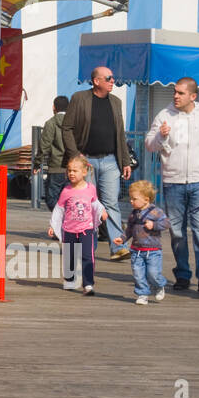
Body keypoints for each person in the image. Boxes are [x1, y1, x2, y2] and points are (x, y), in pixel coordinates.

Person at [145, 76, 199, 292]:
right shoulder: (164, 115)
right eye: (174, 92)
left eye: (180, 93)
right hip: (173, 182)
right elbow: (149, 144)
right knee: (177, 231)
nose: (175, 96)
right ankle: (182, 274)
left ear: (193, 96)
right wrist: (160, 136)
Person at [62, 66, 132, 260]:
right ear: (96, 81)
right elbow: (66, 128)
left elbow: (120, 134)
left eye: (113, 78)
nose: (112, 81)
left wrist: (125, 160)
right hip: (87, 160)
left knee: (111, 204)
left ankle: (118, 246)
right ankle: (85, 248)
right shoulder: (80, 98)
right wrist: (76, 155)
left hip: (110, 160)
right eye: (108, 78)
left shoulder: (116, 102)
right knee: (86, 205)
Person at [48, 154, 108, 296]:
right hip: (69, 229)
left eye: (75, 171)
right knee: (69, 256)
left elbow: (95, 203)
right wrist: (53, 225)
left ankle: (88, 284)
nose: (71, 173)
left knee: (88, 256)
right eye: (69, 170)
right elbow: (59, 209)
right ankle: (69, 279)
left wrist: (102, 212)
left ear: (84, 172)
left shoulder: (91, 188)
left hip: (86, 229)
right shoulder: (66, 191)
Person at [114, 180, 171, 305]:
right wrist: (122, 238)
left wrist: (154, 225)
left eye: (134, 199)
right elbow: (129, 229)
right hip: (136, 250)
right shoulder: (133, 214)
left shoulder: (156, 212)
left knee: (153, 273)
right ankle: (142, 293)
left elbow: (167, 223)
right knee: (138, 274)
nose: (131, 201)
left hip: (153, 250)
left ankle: (159, 285)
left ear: (146, 199)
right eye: (130, 198)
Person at [38, 96, 69, 211]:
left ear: (54, 107)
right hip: (73, 168)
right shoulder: (75, 122)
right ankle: (67, 222)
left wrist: (37, 163)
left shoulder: (51, 123)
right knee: (69, 198)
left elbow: (44, 146)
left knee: (51, 198)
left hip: (56, 167)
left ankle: (61, 220)